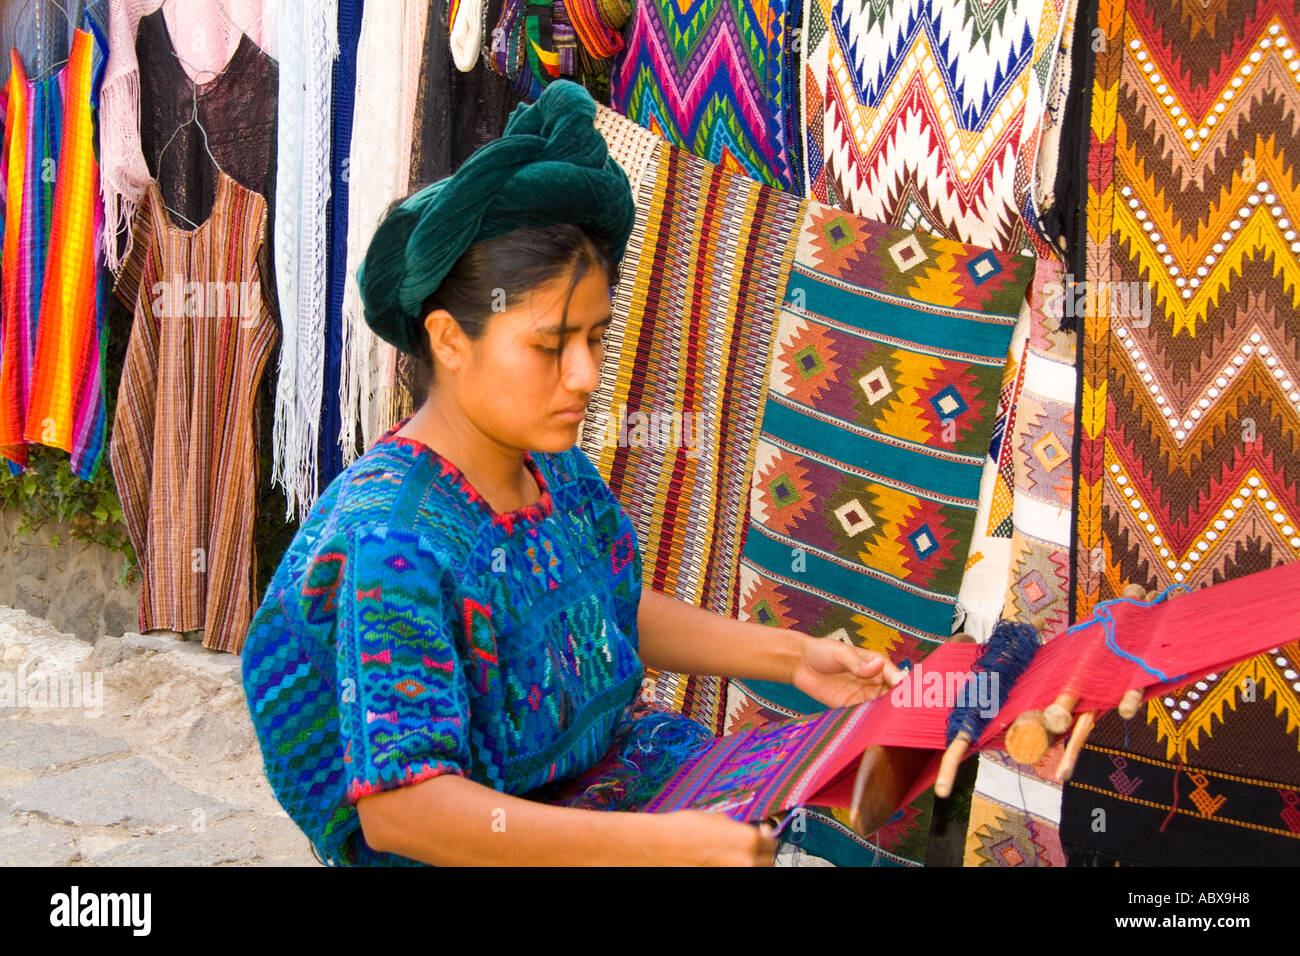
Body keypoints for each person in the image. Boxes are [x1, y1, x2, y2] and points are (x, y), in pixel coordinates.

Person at [241, 80, 904, 866]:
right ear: (450, 341)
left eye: (596, 336)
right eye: (552, 346)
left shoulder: (553, 472)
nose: (587, 375)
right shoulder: (395, 545)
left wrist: (792, 658)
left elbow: (609, 606)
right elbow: (406, 811)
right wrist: (651, 847)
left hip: (602, 785)